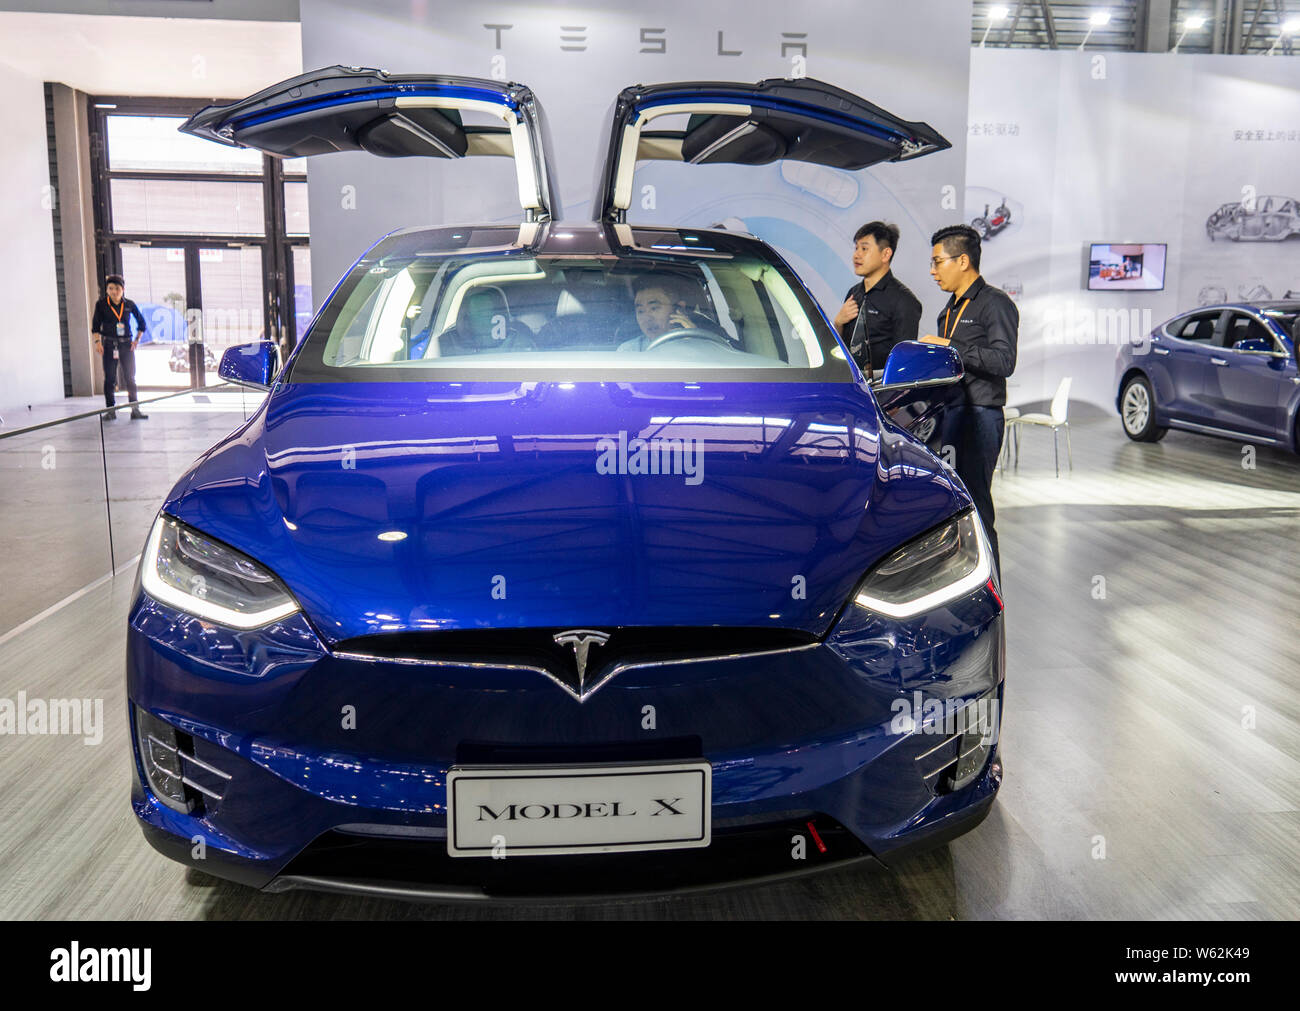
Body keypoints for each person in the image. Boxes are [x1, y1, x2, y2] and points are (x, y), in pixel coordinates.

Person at [920, 224, 1017, 574]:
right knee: (954, 509)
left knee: (976, 506)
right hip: (950, 414)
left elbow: (1004, 362)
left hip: (980, 415)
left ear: (962, 261)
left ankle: (991, 590)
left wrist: (951, 346)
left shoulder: (995, 304)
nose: (933, 271)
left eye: (937, 262)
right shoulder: (948, 311)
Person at [831, 221, 922, 379]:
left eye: (864, 248)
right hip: (851, 384)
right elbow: (840, 350)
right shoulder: (853, 293)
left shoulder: (904, 300)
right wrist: (838, 323)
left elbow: (903, 361)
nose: (856, 255)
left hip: (883, 391)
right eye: (856, 248)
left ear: (886, 254)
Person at [90, 274, 148, 420]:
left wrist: (136, 340)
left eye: (117, 288)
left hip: (126, 346)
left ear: (122, 289)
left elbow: (142, 323)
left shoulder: (129, 304)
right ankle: (111, 410)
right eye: (110, 288)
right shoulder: (101, 305)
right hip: (109, 345)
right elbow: (95, 326)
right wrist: (98, 343)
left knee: (130, 378)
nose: (114, 291)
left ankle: (135, 410)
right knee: (109, 379)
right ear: (107, 290)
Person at [618, 276, 728, 351]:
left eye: (654, 308)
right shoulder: (630, 350)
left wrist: (695, 342)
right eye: (640, 311)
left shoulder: (711, 344)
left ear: (679, 309)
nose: (646, 318)